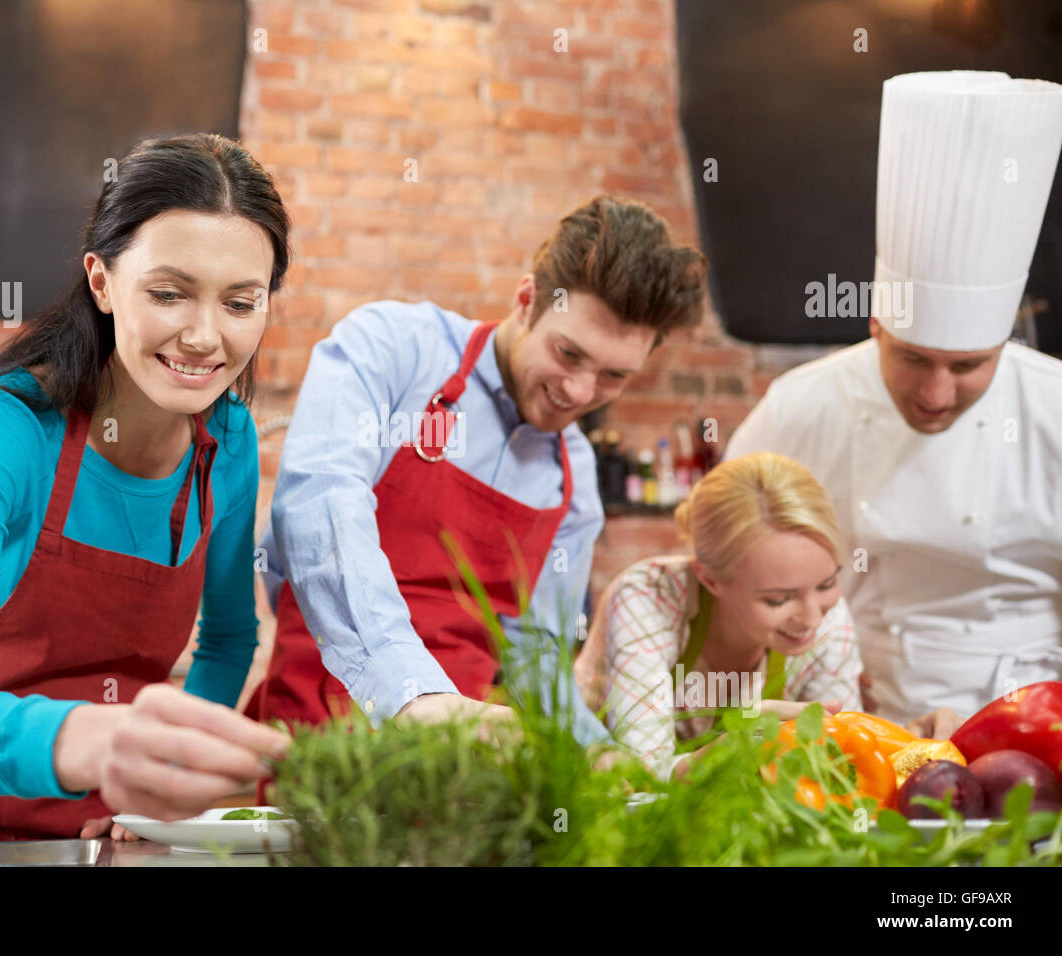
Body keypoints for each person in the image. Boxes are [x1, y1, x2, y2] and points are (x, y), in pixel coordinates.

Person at [0, 134, 291, 845]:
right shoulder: (4, 428)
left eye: (241, 303)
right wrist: (97, 743)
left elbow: (227, 638)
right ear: (102, 282)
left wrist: (156, 801)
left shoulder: (232, 442)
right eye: (168, 294)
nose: (204, 337)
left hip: (107, 836)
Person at [247, 197, 708, 756]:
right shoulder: (393, 349)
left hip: (459, 771)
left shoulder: (575, 479)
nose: (581, 392)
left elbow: (536, 661)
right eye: (569, 354)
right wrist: (415, 695)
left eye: (614, 376)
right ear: (526, 300)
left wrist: (605, 760)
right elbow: (318, 509)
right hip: (319, 742)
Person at [725, 72, 1062, 738]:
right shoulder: (802, 406)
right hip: (856, 719)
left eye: (968, 366)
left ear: (1007, 338)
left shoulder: (1055, 405)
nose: (937, 395)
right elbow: (724, 555)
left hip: (1038, 725)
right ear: (876, 325)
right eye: (912, 358)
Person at [575, 453, 861, 778]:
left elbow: (845, 765)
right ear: (710, 579)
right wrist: (731, 747)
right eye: (778, 600)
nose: (812, 618)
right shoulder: (648, 597)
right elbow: (640, 775)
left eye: (827, 583)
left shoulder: (829, 617)